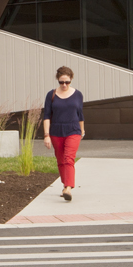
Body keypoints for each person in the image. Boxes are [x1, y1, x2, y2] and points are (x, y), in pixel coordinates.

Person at [40, 65, 84, 201]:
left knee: (69, 158)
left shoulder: (78, 94)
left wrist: (82, 130)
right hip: (56, 131)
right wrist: (46, 135)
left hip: (73, 130)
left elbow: (80, 114)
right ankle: (65, 185)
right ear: (58, 80)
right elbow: (46, 116)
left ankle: (68, 188)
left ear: (71, 80)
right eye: (61, 82)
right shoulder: (51, 95)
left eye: (67, 82)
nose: (64, 85)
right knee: (60, 160)